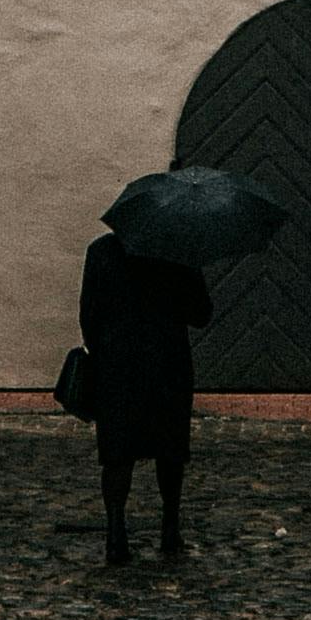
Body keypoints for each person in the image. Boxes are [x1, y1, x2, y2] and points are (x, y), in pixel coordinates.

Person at [77, 230, 212, 564]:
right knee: (170, 448)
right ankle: (169, 528)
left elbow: (88, 314)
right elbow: (201, 314)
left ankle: (115, 534)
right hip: (168, 364)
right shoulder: (177, 251)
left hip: (118, 366)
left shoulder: (101, 251)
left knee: (117, 452)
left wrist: (105, 350)